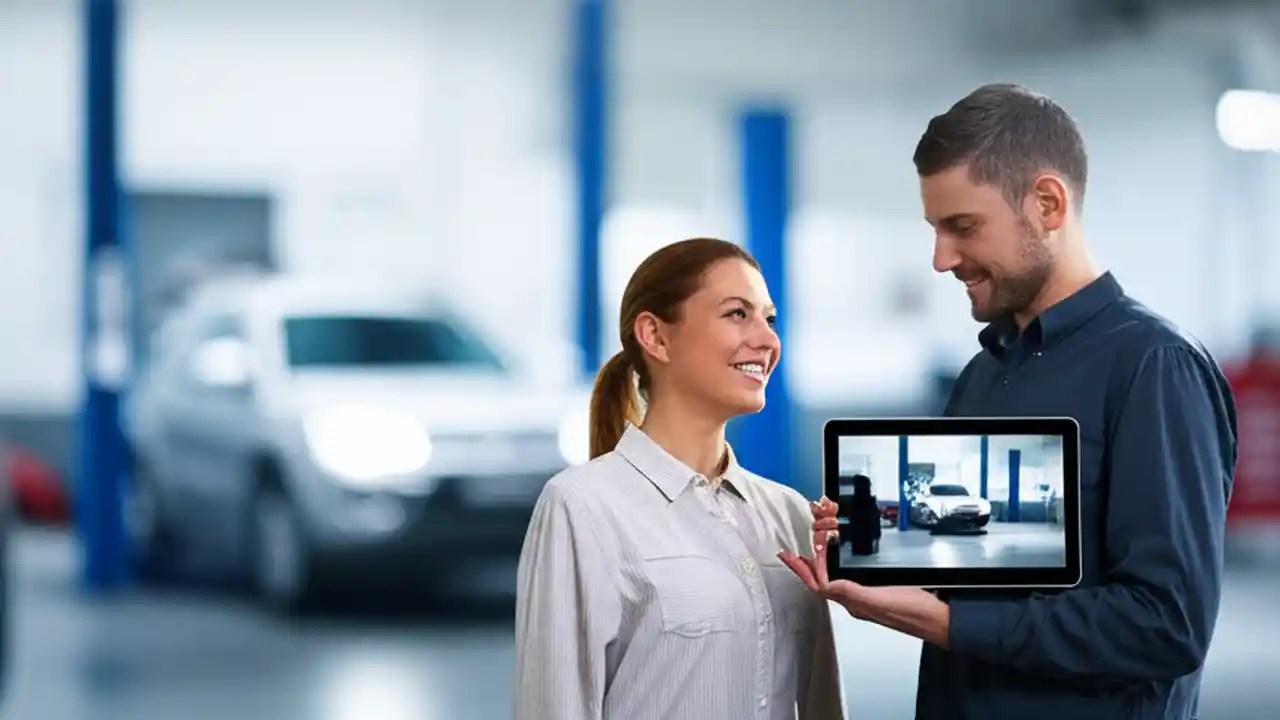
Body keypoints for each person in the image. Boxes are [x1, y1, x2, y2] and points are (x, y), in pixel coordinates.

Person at [779, 83, 1238, 719]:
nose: (941, 259)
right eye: (935, 229)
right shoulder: (982, 373)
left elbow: (1166, 624)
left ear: (1048, 203)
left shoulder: (1154, 368)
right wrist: (881, 545)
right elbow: (982, 568)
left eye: (962, 227)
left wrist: (948, 624)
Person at [514, 237, 846, 719]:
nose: (768, 340)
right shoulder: (581, 507)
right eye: (737, 314)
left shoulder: (789, 513)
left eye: (769, 319)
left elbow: (821, 706)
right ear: (655, 335)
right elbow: (553, 706)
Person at [836, 475, 880, 556]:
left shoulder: (855, 503)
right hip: (865, 543)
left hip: (860, 542)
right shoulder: (869, 502)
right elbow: (875, 522)